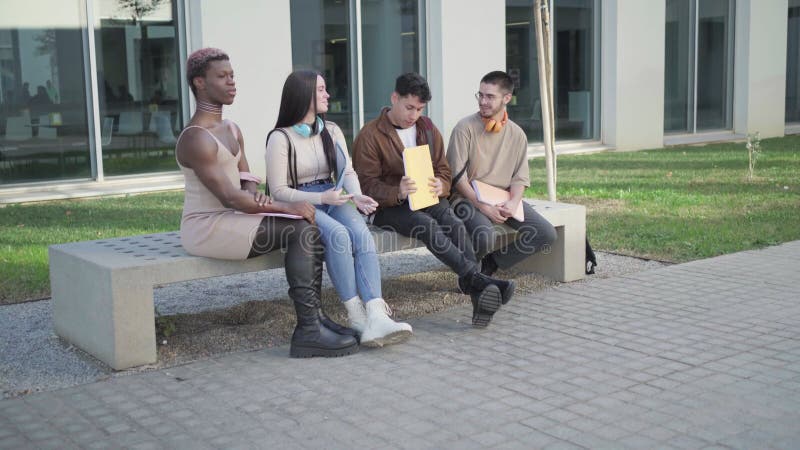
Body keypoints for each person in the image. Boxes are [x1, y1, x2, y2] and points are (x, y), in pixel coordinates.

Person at [176, 48, 358, 358]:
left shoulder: (231, 128)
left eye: (232, 75)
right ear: (199, 83)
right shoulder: (196, 138)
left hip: (236, 215)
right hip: (208, 226)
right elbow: (230, 197)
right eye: (222, 76)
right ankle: (309, 330)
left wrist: (255, 194)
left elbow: (246, 180)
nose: (232, 82)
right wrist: (283, 206)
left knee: (304, 226)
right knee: (300, 229)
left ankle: (316, 320)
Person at [352, 72, 515, 328]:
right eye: (409, 107)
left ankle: (478, 290)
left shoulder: (426, 127)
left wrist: (442, 184)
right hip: (386, 207)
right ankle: (480, 281)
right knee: (425, 225)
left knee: (452, 221)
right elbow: (365, 186)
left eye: (419, 109)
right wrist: (397, 191)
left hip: (427, 197)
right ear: (394, 98)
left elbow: (444, 169)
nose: (413, 115)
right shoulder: (370, 135)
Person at [265, 70, 412, 347]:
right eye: (321, 90)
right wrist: (323, 198)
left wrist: (356, 197)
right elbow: (278, 191)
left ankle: (377, 315)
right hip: (303, 204)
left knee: (361, 234)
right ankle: (357, 318)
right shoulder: (280, 138)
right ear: (303, 95)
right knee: (338, 236)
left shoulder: (331, 130)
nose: (327, 95)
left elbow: (349, 171)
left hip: (332, 195)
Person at [447, 70, 557, 278]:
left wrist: (514, 202)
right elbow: (457, 179)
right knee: (484, 235)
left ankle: (492, 261)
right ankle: (469, 274)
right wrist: (482, 206)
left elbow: (520, 178)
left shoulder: (517, 134)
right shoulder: (464, 128)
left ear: (507, 98)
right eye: (480, 95)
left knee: (545, 234)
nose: (483, 101)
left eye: (490, 96)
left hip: (502, 198)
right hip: (466, 198)